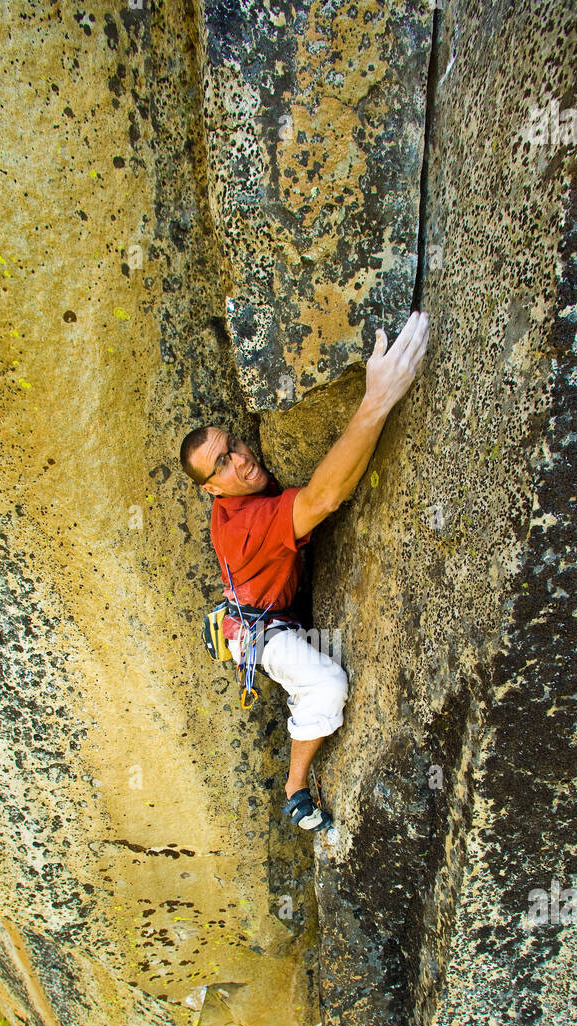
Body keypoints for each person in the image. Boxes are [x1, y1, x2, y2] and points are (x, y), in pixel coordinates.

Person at [180, 310, 430, 832]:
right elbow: (326, 495)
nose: (240, 462)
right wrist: (378, 398)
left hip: (268, 608)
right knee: (324, 683)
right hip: (263, 634)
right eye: (221, 465)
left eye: (234, 447)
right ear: (211, 489)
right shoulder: (242, 525)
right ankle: (295, 788)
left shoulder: (246, 490)